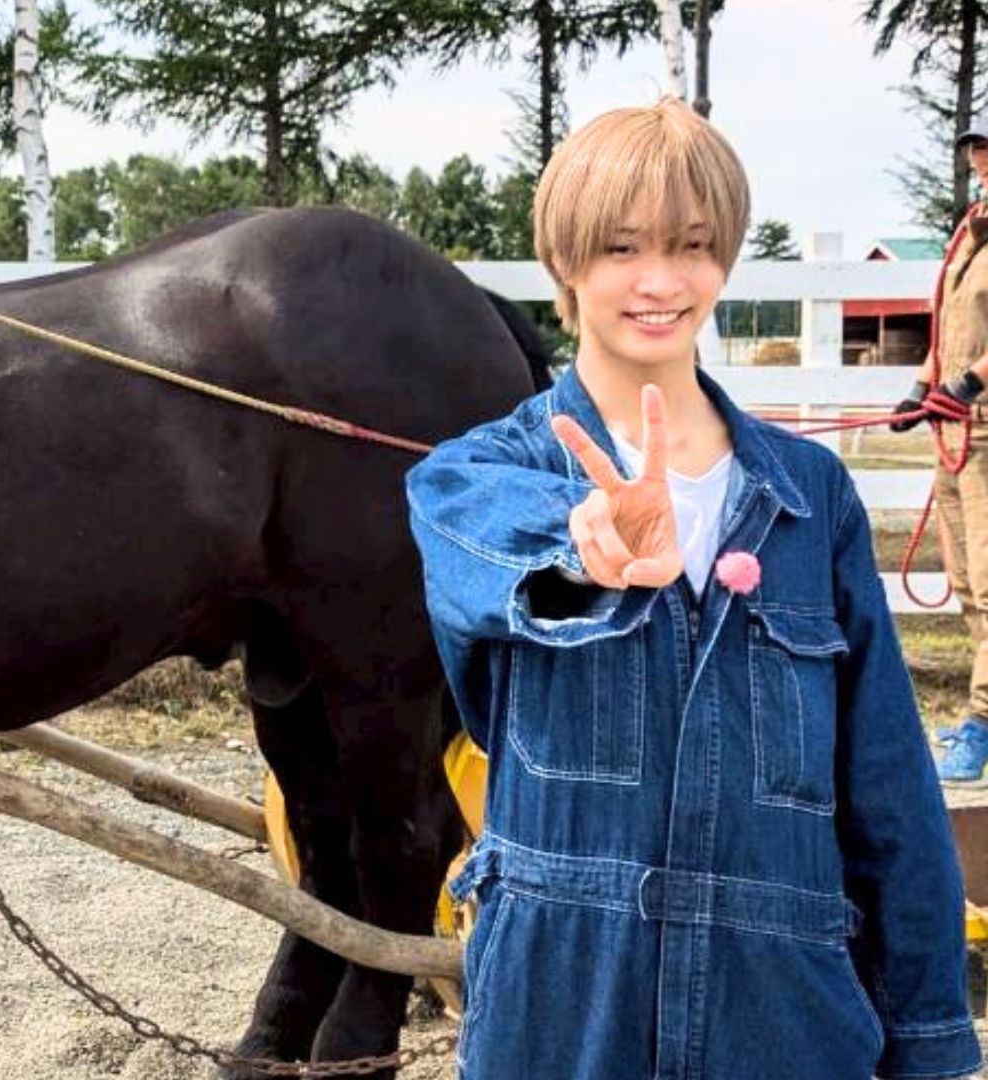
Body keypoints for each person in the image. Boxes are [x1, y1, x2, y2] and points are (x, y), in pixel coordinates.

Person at [407, 98, 980, 1080]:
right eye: (622, 247)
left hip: (785, 1019)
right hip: (564, 1018)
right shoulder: (474, 478)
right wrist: (588, 559)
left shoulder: (813, 499)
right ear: (565, 261)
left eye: (694, 245)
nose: (662, 280)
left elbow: (889, 786)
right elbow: (502, 575)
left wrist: (928, 1037)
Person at [893, 118, 988, 785]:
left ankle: (982, 721)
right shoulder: (972, 234)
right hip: (957, 434)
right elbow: (946, 325)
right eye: (978, 151)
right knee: (966, 586)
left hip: (985, 429)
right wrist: (921, 388)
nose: (981, 161)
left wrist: (971, 383)